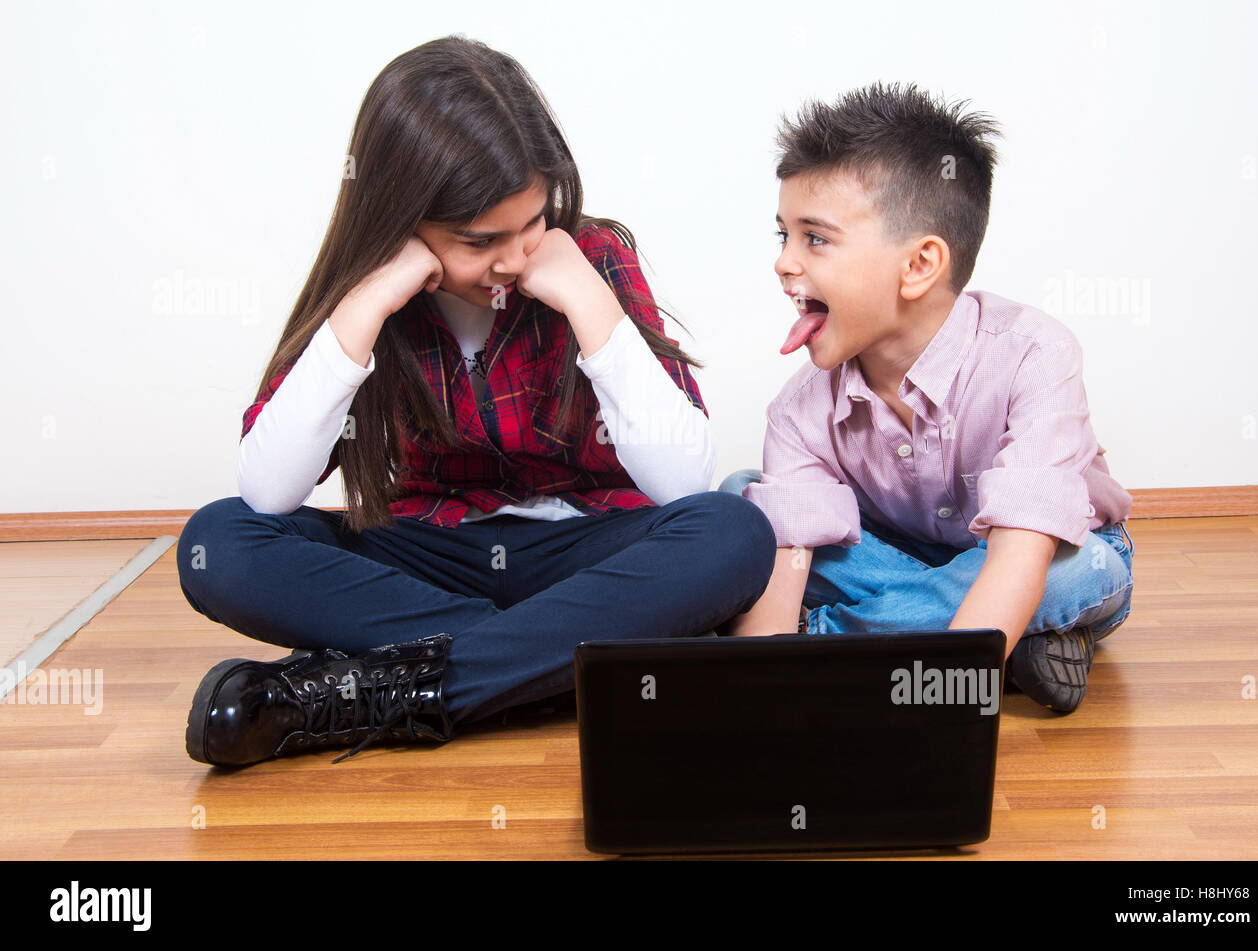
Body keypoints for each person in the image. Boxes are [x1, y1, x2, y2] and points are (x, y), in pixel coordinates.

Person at [177, 35, 776, 768]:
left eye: (532, 223)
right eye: (480, 239)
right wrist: (366, 306)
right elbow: (268, 490)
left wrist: (590, 299)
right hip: (429, 554)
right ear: (401, 216)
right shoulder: (370, 289)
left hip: (584, 552)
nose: (516, 257)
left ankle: (366, 690)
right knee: (220, 543)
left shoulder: (594, 259)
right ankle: (554, 660)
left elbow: (682, 482)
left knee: (732, 532)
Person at [720, 82, 1134, 714]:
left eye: (816, 238)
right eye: (783, 236)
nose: (784, 262)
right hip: (898, 551)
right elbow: (786, 571)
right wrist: (761, 678)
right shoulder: (801, 407)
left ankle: (837, 641)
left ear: (919, 266)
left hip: (1040, 547)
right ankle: (1015, 638)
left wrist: (948, 696)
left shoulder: (1034, 352)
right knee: (738, 501)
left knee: (1085, 568)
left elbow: (1023, 547)